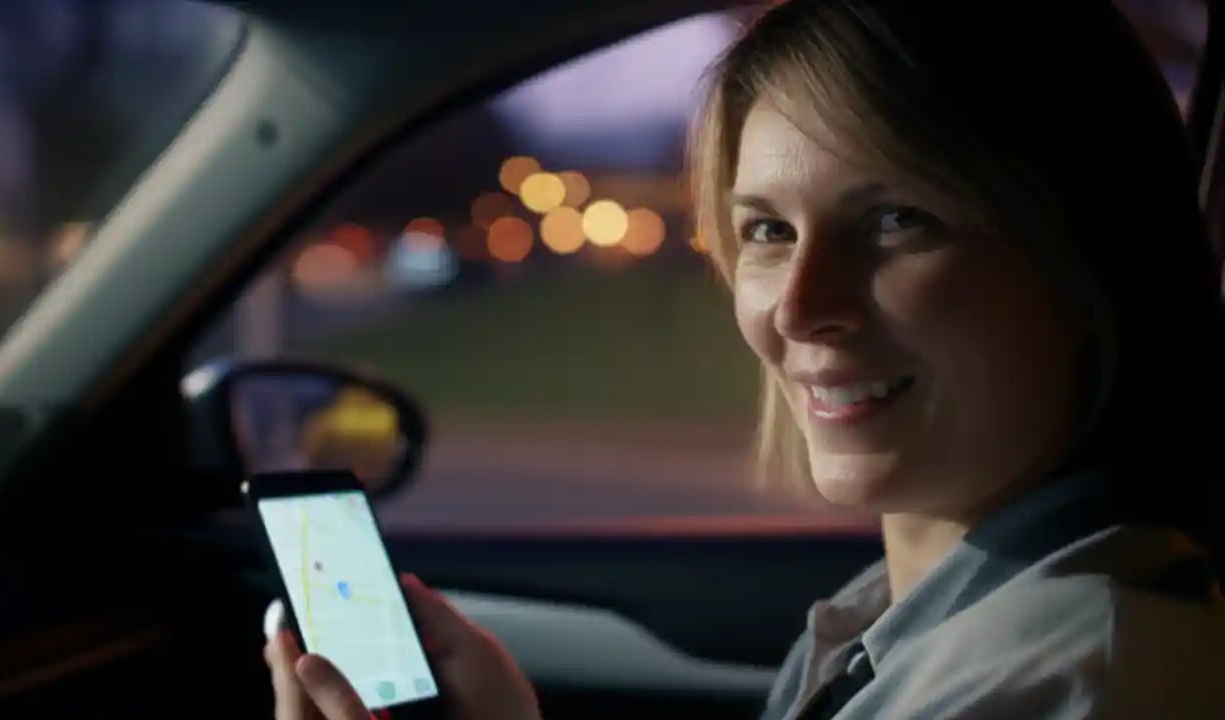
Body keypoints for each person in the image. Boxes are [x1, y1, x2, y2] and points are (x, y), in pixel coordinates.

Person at [264, 0, 1225, 717]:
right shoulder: (935, 616)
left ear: (1092, 259)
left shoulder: (1065, 679)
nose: (798, 309)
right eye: (766, 229)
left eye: (897, 221)